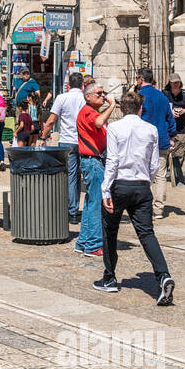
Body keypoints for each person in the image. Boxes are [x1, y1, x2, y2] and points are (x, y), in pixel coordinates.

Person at [96, 88, 175, 306]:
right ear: (140, 108)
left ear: (121, 109)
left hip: (119, 185)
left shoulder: (114, 128)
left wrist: (105, 190)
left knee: (110, 230)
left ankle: (109, 277)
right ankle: (163, 275)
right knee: (147, 234)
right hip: (141, 186)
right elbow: (153, 163)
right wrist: (146, 182)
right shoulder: (151, 129)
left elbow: (112, 161)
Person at [74, 82, 116, 258]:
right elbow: (99, 122)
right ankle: (92, 245)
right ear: (88, 97)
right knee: (96, 203)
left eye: (103, 93)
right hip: (93, 162)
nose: (102, 95)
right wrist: (112, 105)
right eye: (98, 93)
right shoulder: (89, 112)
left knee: (91, 202)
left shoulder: (91, 111)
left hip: (92, 161)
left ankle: (83, 241)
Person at [39, 71, 86, 220]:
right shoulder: (86, 98)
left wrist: (43, 137)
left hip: (67, 141)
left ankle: (72, 210)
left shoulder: (62, 98)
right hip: (84, 142)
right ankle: (79, 206)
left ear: (68, 85)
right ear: (83, 86)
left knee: (71, 176)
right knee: (82, 176)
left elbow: (51, 120)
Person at [136, 68, 176, 217]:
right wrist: (172, 136)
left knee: (142, 174)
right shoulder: (162, 97)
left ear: (140, 78)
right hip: (162, 140)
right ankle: (158, 208)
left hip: (143, 141)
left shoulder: (139, 96)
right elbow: (170, 119)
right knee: (160, 176)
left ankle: (144, 206)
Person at [163, 74, 185, 187]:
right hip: (167, 128)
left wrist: (184, 110)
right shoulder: (165, 94)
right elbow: (161, 107)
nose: (175, 83)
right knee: (165, 152)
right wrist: (170, 112)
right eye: (173, 82)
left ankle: (176, 175)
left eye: (177, 81)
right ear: (170, 82)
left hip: (181, 129)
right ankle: (163, 175)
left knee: (180, 152)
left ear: (180, 82)